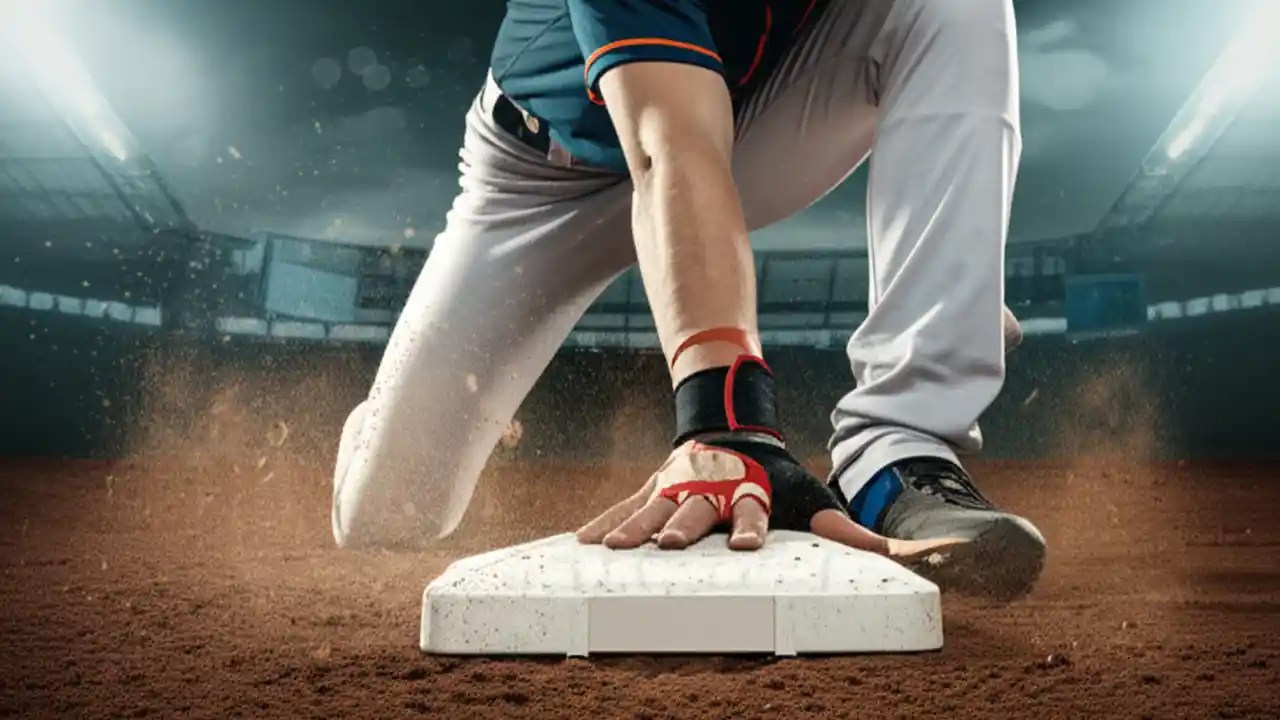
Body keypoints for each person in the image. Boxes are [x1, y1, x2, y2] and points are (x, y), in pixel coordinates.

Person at [332, 0, 1046, 600]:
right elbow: (667, 145)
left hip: (743, 129)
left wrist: (952, 274)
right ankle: (381, 425)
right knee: (391, 511)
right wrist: (726, 423)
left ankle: (897, 448)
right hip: (540, 186)